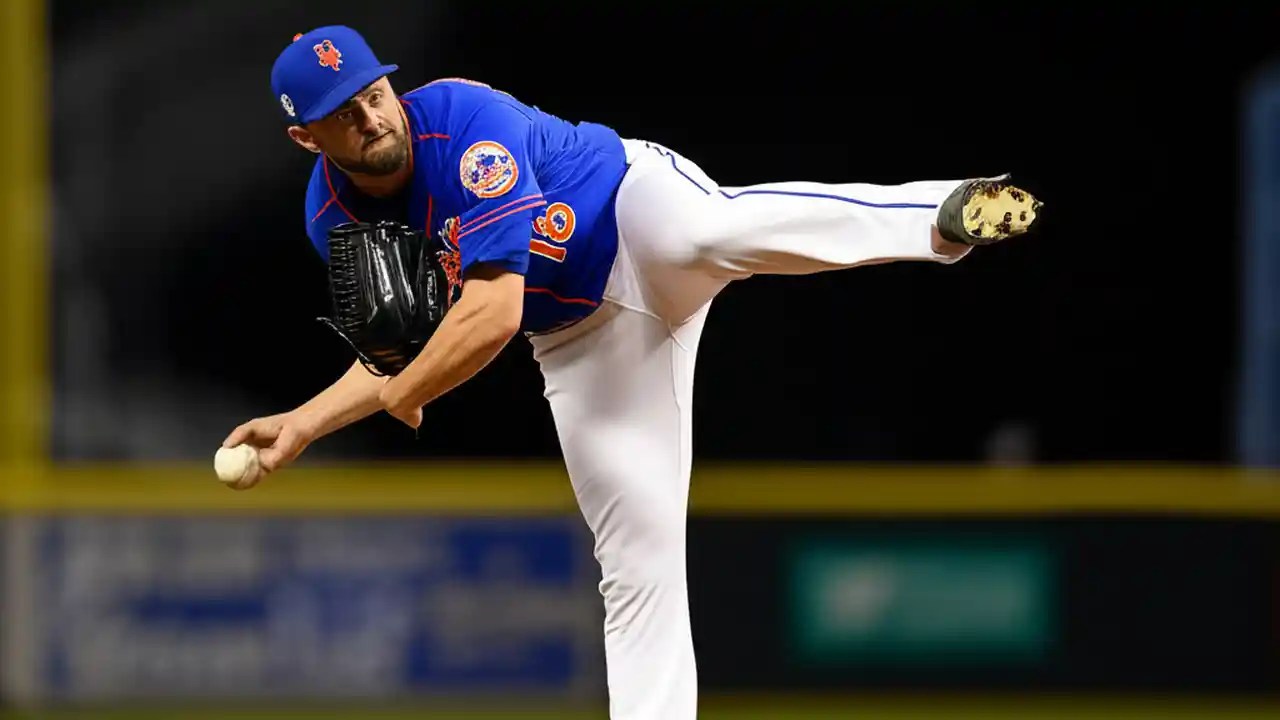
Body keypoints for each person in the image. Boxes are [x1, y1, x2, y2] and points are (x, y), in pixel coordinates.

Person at [223, 25, 1043, 720]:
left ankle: (936, 214)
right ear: (307, 138)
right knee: (636, 567)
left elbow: (490, 315)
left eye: (372, 91)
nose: (371, 115)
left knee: (711, 234)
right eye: (343, 111)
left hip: (629, 208)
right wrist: (305, 422)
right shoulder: (329, 215)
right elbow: (401, 346)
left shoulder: (458, 122)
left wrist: (408, 390)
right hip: (583, 342)